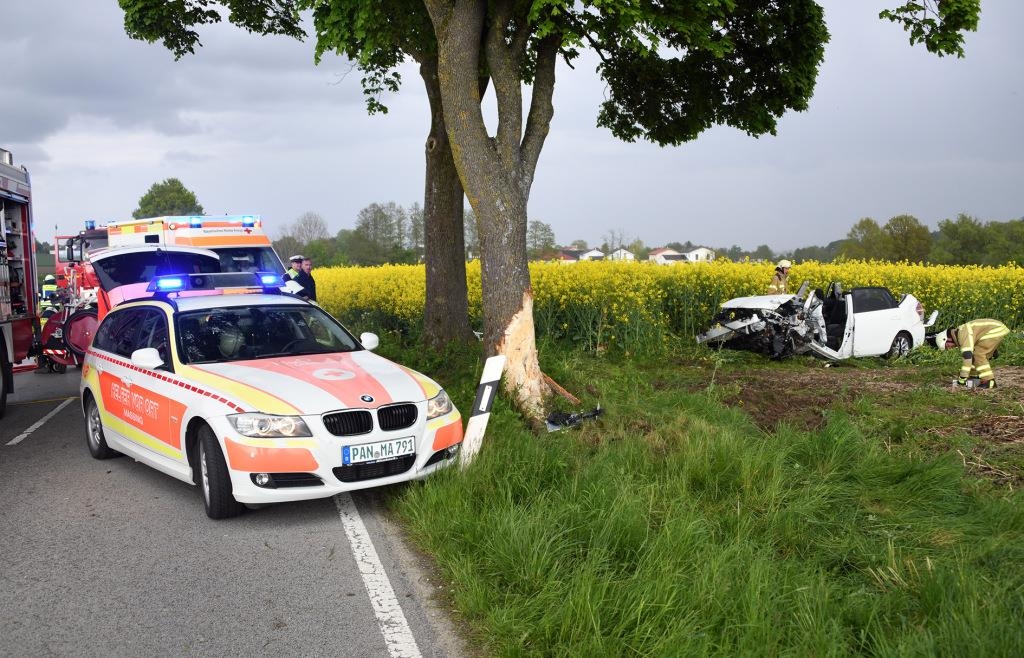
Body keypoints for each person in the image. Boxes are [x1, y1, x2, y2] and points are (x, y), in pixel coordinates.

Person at [939, 319, 1010, 389]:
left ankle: (989, 381)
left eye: (947, 346)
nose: (950, 348)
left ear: (947, 339)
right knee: (977, 354)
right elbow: (971, 357)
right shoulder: (960, 332)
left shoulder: (961, 335)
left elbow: (967, 356)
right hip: (997, 328)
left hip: (996, 329)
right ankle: (974, 376)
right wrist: (971, 376)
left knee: (978, 355)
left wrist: (962, 378)